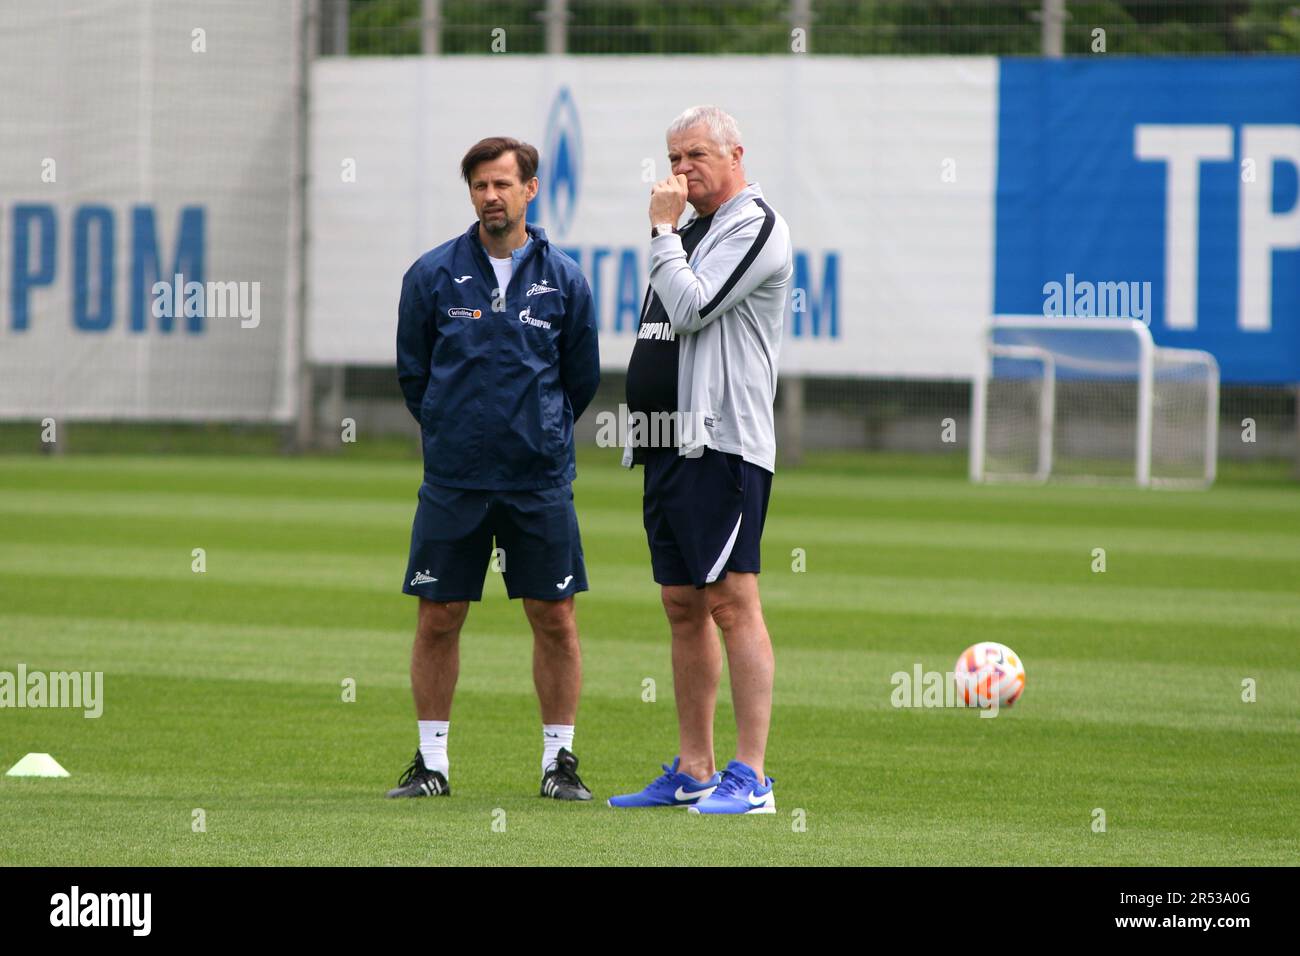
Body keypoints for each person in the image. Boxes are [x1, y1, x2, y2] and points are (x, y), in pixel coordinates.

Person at [388, 136, 600, 801]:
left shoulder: (564, 278)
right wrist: (455, 433)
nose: (491, 196)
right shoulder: (431, 274)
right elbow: (414, 373)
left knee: (554, 615)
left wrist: (537, 434)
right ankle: (431, 764)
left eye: (503, 184)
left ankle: (559, 764)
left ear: (530, 190)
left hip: (538, 481)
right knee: (439, 614)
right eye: (480, 185)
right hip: (454, 481)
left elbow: (581, 379)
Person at [610, 106, 793, 814]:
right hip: (667, 441)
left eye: (695, 156)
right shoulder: (691, 231)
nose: (681, 170)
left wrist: (660, 232)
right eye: (674, 157)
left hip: (722, 442)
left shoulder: (755, 224)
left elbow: (690, 309)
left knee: (731, 598)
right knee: (681, 602)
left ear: (735, 153)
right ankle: (695, 768)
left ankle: (752, 777)